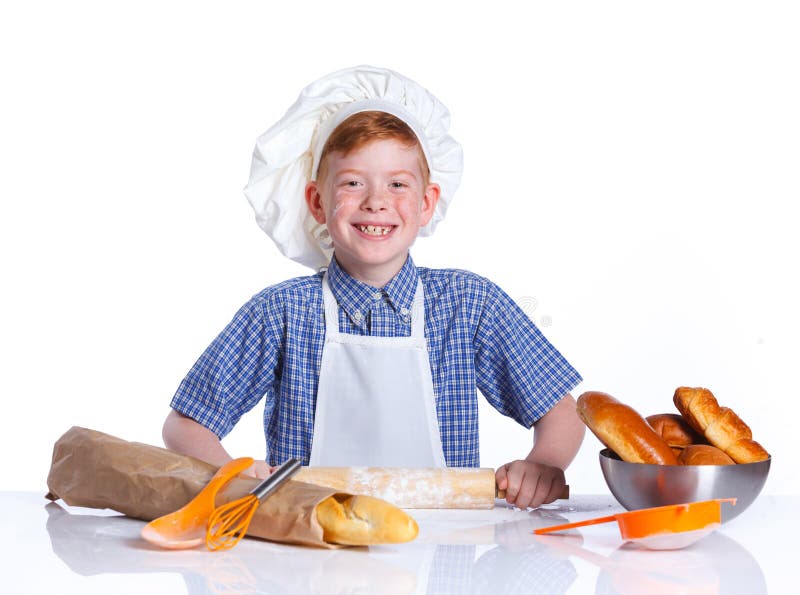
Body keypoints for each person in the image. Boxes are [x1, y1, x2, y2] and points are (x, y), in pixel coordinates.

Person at [163, 66, 585, 509]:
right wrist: (234, 475)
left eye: (397, 184)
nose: (376, 201)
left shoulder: (470, 305)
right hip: (309, 558)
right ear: (317, 202)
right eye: (352, 182)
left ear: (426, 204)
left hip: (442, 557)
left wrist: (543, 465)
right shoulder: (281, 312)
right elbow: (186, 424)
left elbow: (562, 412)